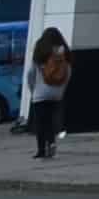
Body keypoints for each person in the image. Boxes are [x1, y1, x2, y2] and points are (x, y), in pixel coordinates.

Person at [24, 29, 71, 162]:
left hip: (40, 93)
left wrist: (33, 90)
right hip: (56, 94)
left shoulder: (40, 52)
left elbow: (30, 74)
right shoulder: (63, 53)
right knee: (50, 121)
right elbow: (68, 73)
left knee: (40, 123)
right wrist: (61, 90)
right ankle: (51, 144)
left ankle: (41, 151)